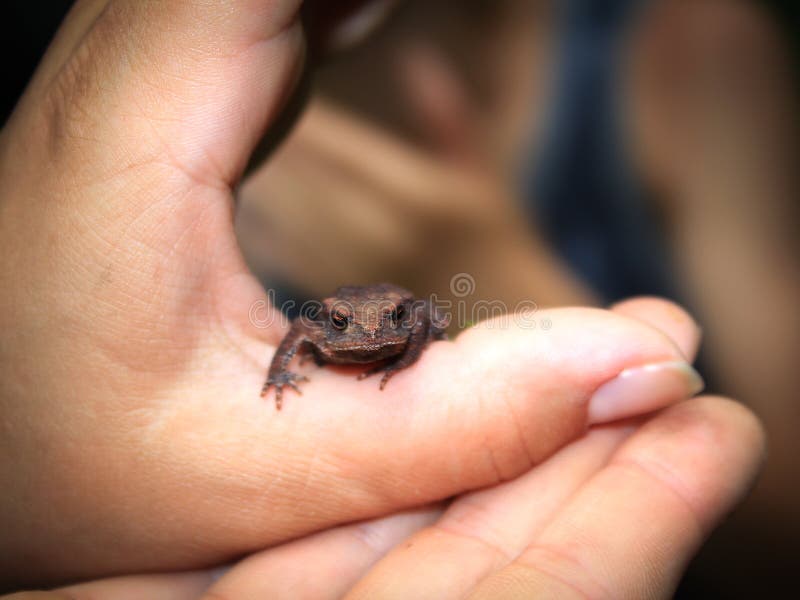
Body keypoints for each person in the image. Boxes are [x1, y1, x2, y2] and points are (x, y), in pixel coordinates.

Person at [0, 1, 765, 598]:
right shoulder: (196, 133)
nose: (361, 335)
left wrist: (455, 294)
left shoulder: (684, 46)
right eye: (340, 328)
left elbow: (422, 318)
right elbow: (298, 335)